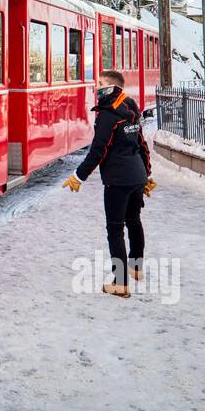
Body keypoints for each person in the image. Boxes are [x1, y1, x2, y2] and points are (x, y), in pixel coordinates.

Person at [62, 69, 155, 299]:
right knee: (134, 221)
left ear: (112, 86)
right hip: (136, 176)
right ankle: (135, 267)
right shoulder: (131, 106)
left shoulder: (108, 113)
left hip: (118, 179)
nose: (97, 86)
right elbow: (141, 143)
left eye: (101, 83)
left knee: (115, 229)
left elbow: (98, 151)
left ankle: (121, 282)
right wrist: (146, 175)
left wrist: (78, 176)